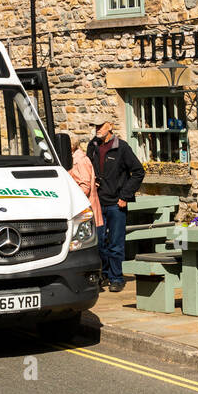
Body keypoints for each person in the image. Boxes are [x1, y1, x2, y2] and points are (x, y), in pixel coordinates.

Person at [87, 119, 144, 294]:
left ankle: (116, 278)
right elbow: (88, 168)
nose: (97, 130)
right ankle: (103, 274)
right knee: (98, 241)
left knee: (116, 243)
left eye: (100, 126)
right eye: (95, 126)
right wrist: (93, 181)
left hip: (116, 203)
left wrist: (125, 196)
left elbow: (138, 172)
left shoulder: (122, 147)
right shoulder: (93, 146)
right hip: (97, 202)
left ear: (110, 126)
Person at [68, 138, 104, 285]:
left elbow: (85, 187)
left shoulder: (80, 160)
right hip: (81, 213)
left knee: (87, 248)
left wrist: (68, 194)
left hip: (85, 211)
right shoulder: (75, 159)